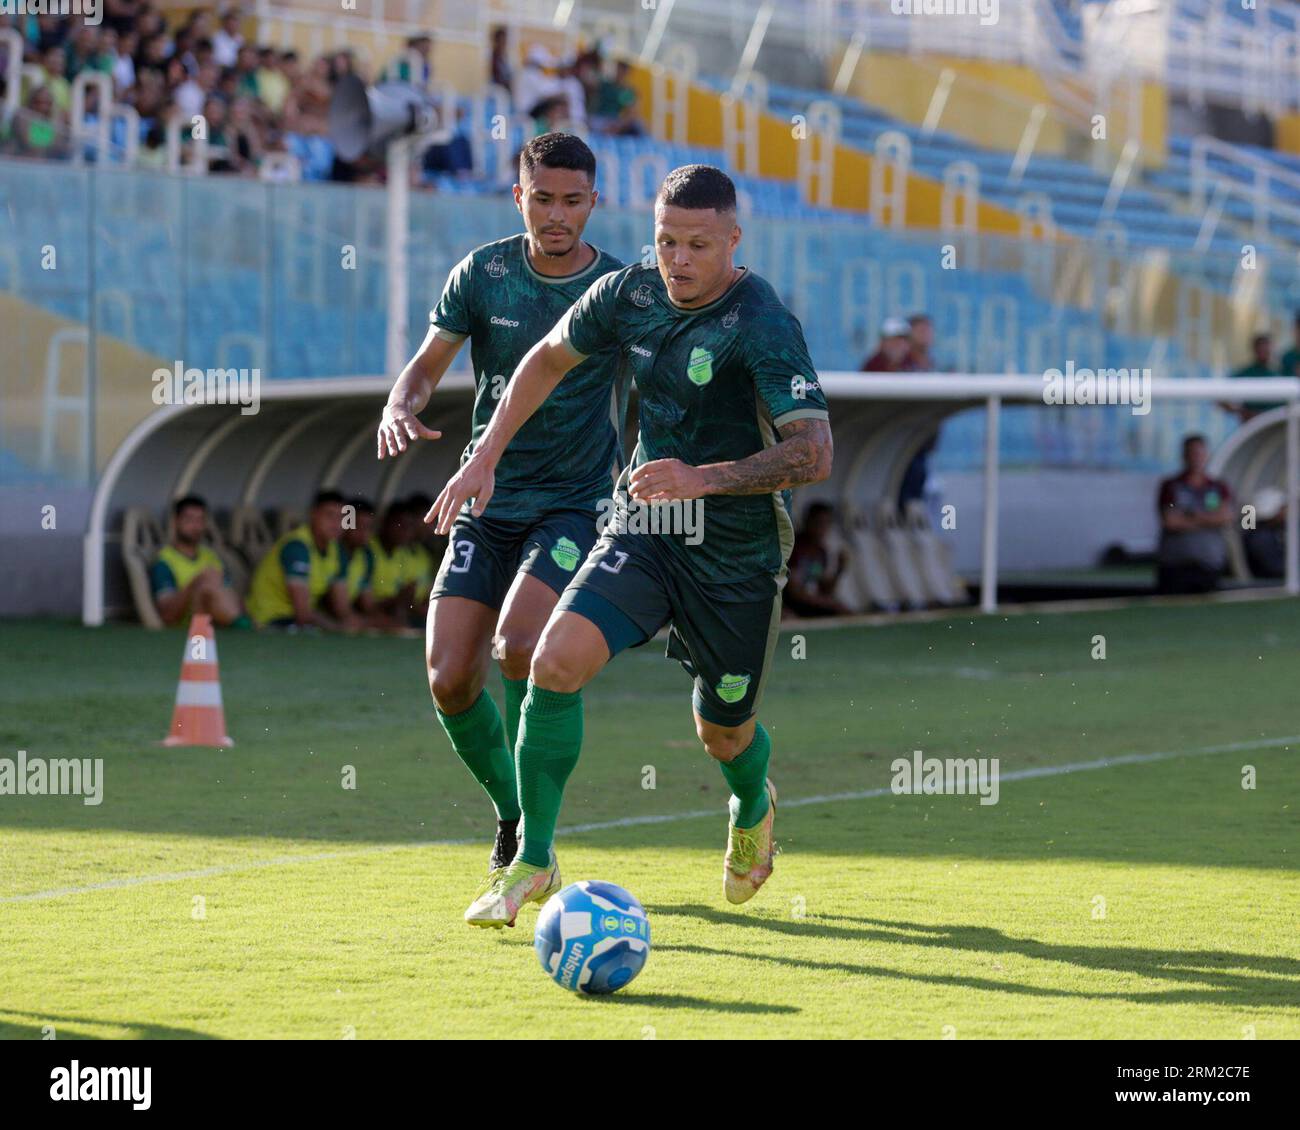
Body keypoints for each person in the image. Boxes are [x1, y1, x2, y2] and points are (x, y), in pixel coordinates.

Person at [431, 163, 833, 926]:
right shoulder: (632, 292)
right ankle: (534, 860)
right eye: (665, 242)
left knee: (722, 730)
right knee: (552, 661)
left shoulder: (765, 324)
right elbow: (546, 358)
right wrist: (483, 454)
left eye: (698, 246)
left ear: (734, 240)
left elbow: (814, 453)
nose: (678, 261)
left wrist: (703, 477)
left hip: (737, 553)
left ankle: (754, 798)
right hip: (644, 526)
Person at [377, 132, 627, 882]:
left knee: (519, 646)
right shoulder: (482, 274)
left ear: (593, 203)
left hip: (573, 505)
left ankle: (536, 851)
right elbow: (423, 371)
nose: (556, 216)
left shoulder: (617, 290)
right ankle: (514, 814)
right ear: (519, 196)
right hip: (485, 496)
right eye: (542, 199)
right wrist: (400, 402)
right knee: (449, 675)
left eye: (572, 201)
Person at [246, 490, 360, 630]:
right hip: (270, 621)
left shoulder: (337, 551)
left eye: (342, 517)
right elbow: (303, 614)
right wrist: (338, 628)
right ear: (313, 514)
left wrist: (361, 625)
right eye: (330, 515)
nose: (336, 524)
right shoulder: (297, 547)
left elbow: (343, 610)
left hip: (298, 624)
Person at [149, 495, 247, 627]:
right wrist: (195, 583)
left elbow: (231, 596)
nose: (195, 526)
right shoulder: (164, 562)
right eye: (189, 519)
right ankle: (243, 626)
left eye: (200, 520)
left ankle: (243, 624)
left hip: (219, 623)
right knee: (205, 585)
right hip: (189, 630)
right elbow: (167, 615)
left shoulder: (211, 557)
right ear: (175, 522)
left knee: (214, 583)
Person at [1155, 435, 1232, 594]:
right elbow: (1171, 521)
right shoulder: (1171, 487)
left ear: (1206, 455)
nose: (1196, 458)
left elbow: (1225, 516)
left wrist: (1192, 515)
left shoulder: (1217, 487)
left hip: (1209, 564)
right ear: (1184, 456)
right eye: (1192, 453)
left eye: (1200, 453)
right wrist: (1209, 519)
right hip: (1175, 565)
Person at [784, 502, 851, 617]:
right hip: (790, 605)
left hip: (809, 602)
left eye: (827, 523)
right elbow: (795, 593)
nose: (823, 528)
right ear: (808, 522)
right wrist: (829, 603)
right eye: (819, 523)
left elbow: (825, 590)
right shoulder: (795, 548)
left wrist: (840, 570)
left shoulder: (821, 552)